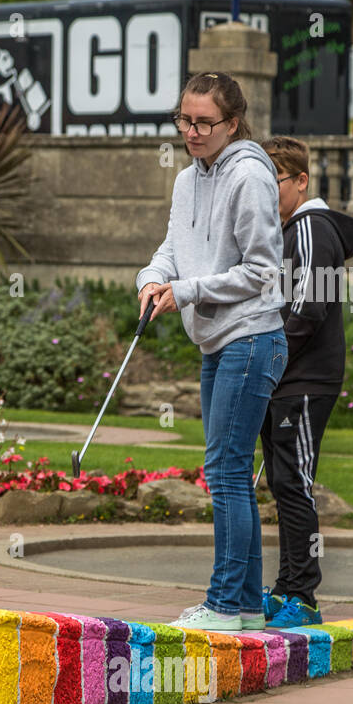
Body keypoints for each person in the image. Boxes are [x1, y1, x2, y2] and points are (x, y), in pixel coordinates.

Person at [136, 71, 287, 632]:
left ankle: (223, 606)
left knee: (224, 472)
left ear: (232, 122)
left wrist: (189, 291)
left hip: (252, 337)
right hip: (216, 341)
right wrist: (151, 281)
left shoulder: (250, 175)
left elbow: (261, 270)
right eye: (184, 120)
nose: (192, 132)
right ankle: (246, 605)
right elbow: (172, 250)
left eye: (204, 123)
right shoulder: (185, 180)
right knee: (230, 472)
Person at [260, 136, 353, 628]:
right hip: (287, 379)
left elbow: (307, 306)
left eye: (273, 181)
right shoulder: (286, 228)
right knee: (283, 482)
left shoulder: (310, 227)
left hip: (302, 380)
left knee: (294, 482)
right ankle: (285, 588)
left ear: (301, 181)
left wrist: (269, 360)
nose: (265, 191)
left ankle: (302, 594)